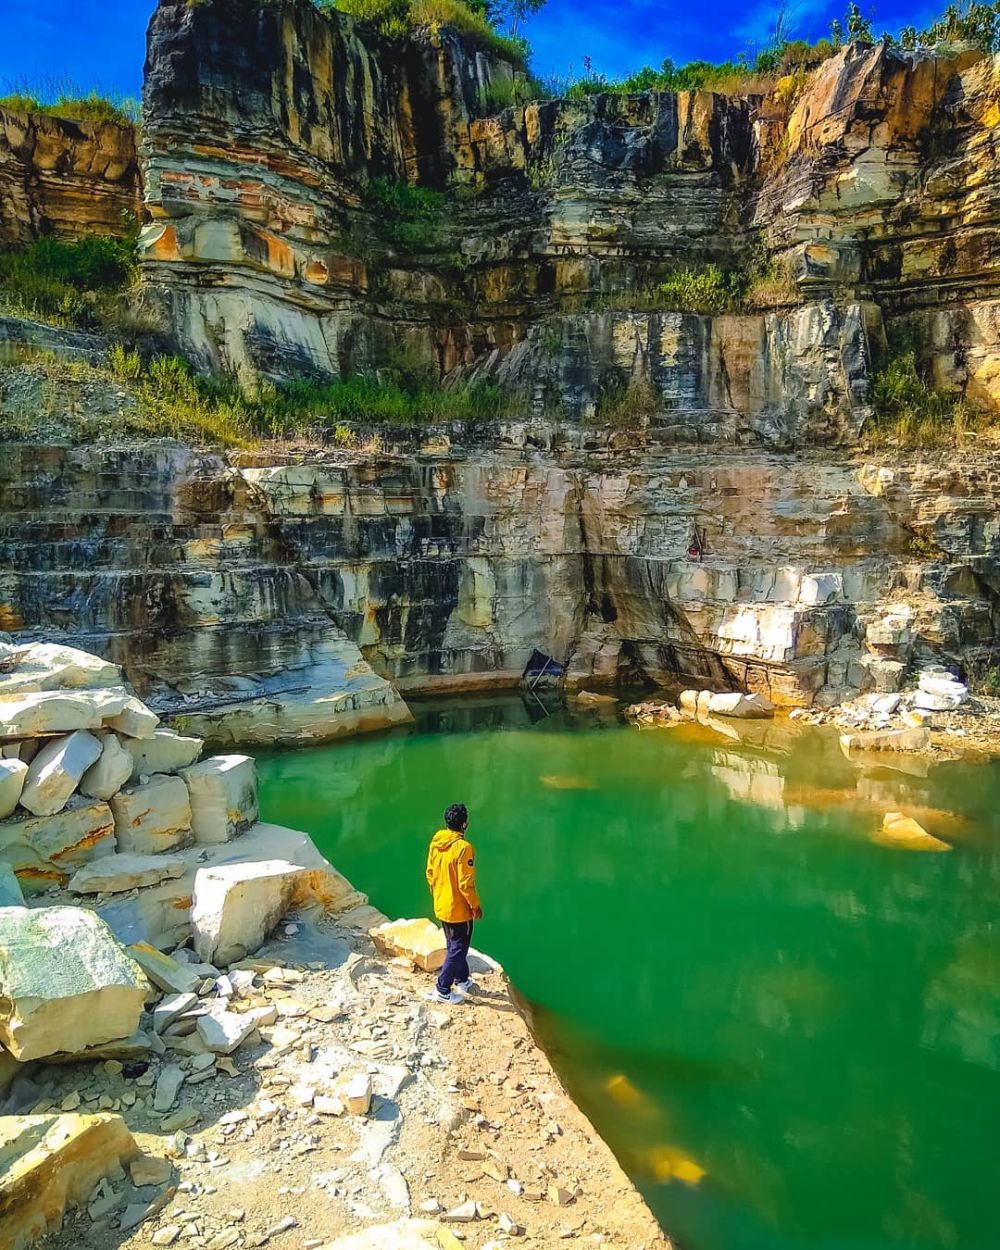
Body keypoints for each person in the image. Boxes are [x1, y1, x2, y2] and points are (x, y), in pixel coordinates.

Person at [426, 802, 482, 1004]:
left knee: (453, 944)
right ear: (464, 824)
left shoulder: (436, 842)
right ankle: (443, 989)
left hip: (442, 903)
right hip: (458, 909)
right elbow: (465, 884)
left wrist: (438, 895)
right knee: (458, 947)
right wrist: (474, 905)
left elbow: (430, 873)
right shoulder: (463, 848)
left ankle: (462, 979)